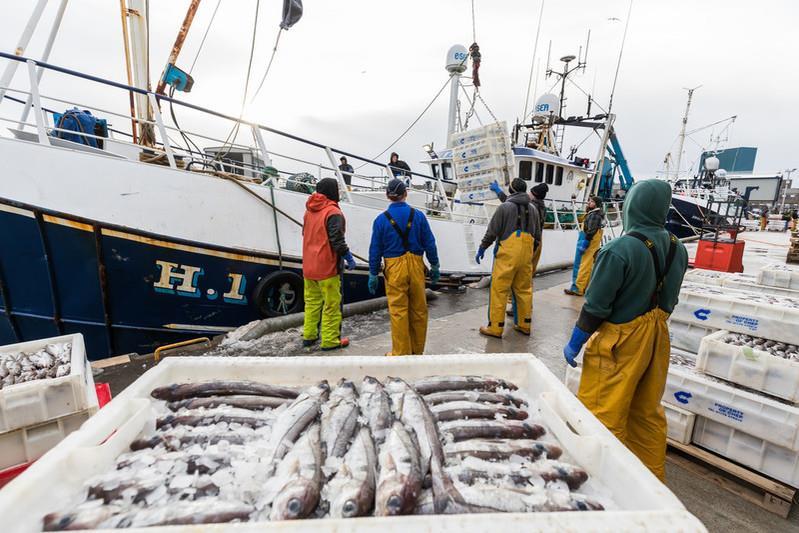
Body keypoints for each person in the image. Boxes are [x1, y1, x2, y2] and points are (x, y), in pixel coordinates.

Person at [562, 180, 688, 481]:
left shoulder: (619, 249)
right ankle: (649, 480)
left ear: (632, 205)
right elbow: (671, 299)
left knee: (603, 412)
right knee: (646, 413)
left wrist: (576, 342)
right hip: (657, 337)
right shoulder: (677, 247)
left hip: (621, 340)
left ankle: (598, 480)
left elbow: (595, 306)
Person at [368, 178, 440, 355]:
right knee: (419, 311)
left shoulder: (380, 220)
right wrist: (435, 265)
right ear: (405, 194)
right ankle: (417, 352)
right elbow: (430, 243)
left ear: (387, 195)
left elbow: (375, 250)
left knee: (398, 311)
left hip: (394, 268)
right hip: (416, 265)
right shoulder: (419, 216)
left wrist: (372, 273)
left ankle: (401, 354)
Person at [476, 178, 541, 338]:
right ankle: (524, 324)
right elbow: (537, 236)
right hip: (526, 254)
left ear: (511, 190)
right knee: (524, 290)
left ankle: (495, 328)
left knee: (499, 290)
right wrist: (529, 252)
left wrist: (482, 247)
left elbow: (492, 231)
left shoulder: (504, 207)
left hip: (507, 254)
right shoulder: (533, 209)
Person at [301, 178, 357, 351]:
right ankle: (330, 340)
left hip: (309, 266)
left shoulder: (308, 211)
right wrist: (348, 256)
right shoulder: (333, 212)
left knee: (311, 303)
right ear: (333, 191)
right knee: (332, 305)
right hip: (327, 268)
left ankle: (309, 336)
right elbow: (337, 241)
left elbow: (305, 234)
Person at [565, 196, 605, 296]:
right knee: (586, 266)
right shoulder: (595, 214)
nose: (588, 203)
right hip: (590, 242)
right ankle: (583, 287)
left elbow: (591, 230)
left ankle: (577, 288)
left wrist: (585, 242)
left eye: (591, 201)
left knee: (583, 266)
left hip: (587, 242)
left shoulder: (595, 215)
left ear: (596, 204)